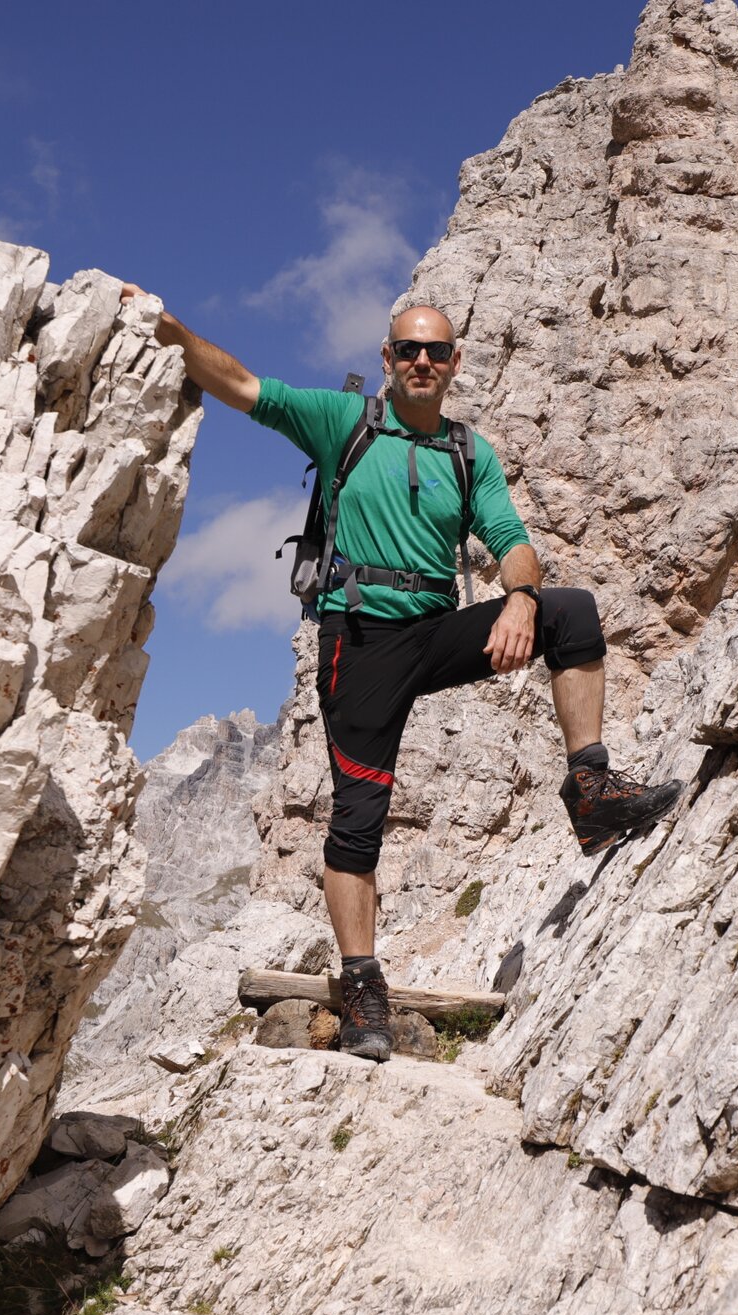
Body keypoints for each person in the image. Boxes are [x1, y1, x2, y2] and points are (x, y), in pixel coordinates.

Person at [122, 286, 684, 1061]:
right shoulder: (343, 423)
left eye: (437, 351)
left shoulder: (468, 451)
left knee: (572, 613)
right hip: (359, 639)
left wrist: (519, 594)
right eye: (409, 349)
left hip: (434, 629)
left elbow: (513, 539)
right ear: (387, 359)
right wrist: (175, 331)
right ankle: (360, 981)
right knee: (359, 817)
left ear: (454, 365)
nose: (423, 361)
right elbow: (244, 386)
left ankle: (590, 789)